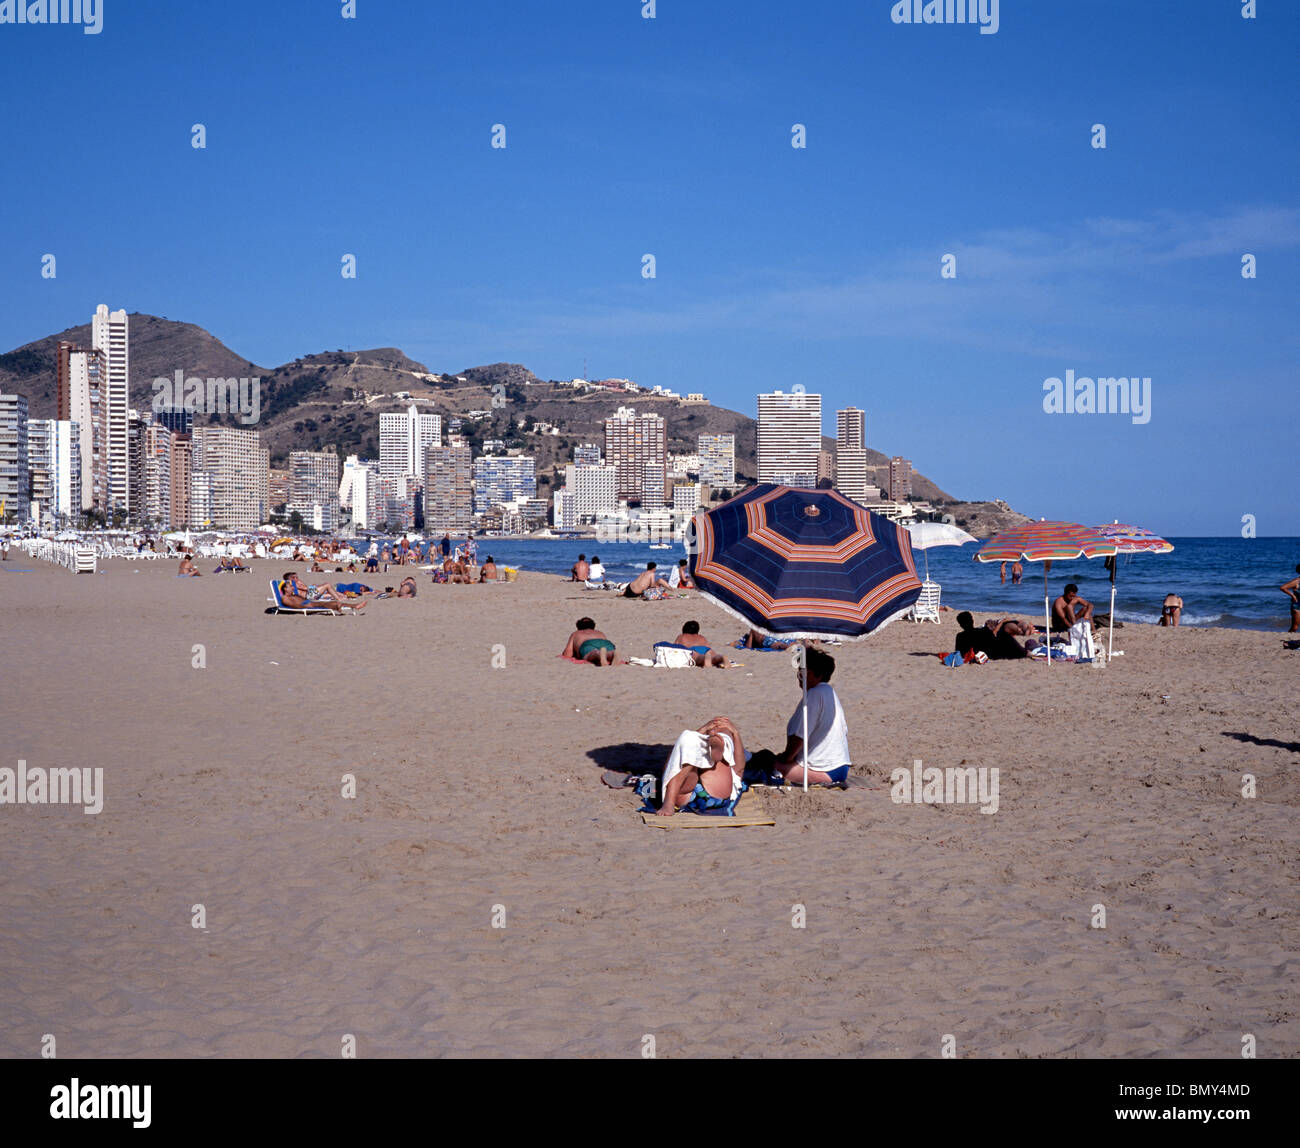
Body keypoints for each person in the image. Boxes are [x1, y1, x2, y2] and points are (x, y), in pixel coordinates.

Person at [744, 648, 851, 787]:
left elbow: (801, 736)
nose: (799, 678)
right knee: (765, 756)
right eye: (799, 673)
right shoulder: (829, 693)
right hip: (839, 765)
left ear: (818, 676)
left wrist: (786, 758)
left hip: (825, 769)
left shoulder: (814, 695)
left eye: (803, 674)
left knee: (764, 765)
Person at [655, 717, 746, 817]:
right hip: (716, 794)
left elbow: (671, 764)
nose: (714, 730)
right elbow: (739, 770)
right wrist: (735, 733)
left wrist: (703, 729)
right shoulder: (730, 760)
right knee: (725, 729)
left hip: (683, 793)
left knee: (687, 741)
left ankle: (669, 802)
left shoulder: (693, 748)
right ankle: (719, 743)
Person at [954, 612, 1028, 660]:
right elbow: (994, 638)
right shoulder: (982, 631)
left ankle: (1025, 652)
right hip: (993, 654)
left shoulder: (960, 636)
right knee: (1004, 635)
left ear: (961, 625)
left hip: (984, 654)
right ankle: (1025, 652)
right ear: (972, 621)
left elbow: (959, 653)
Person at [1281, 566, 1300, 633]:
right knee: (1295, 627)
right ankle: (1288, 638)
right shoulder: (1297, 581)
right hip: (1297, 606)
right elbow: (1283, 587)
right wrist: (1293, 595)